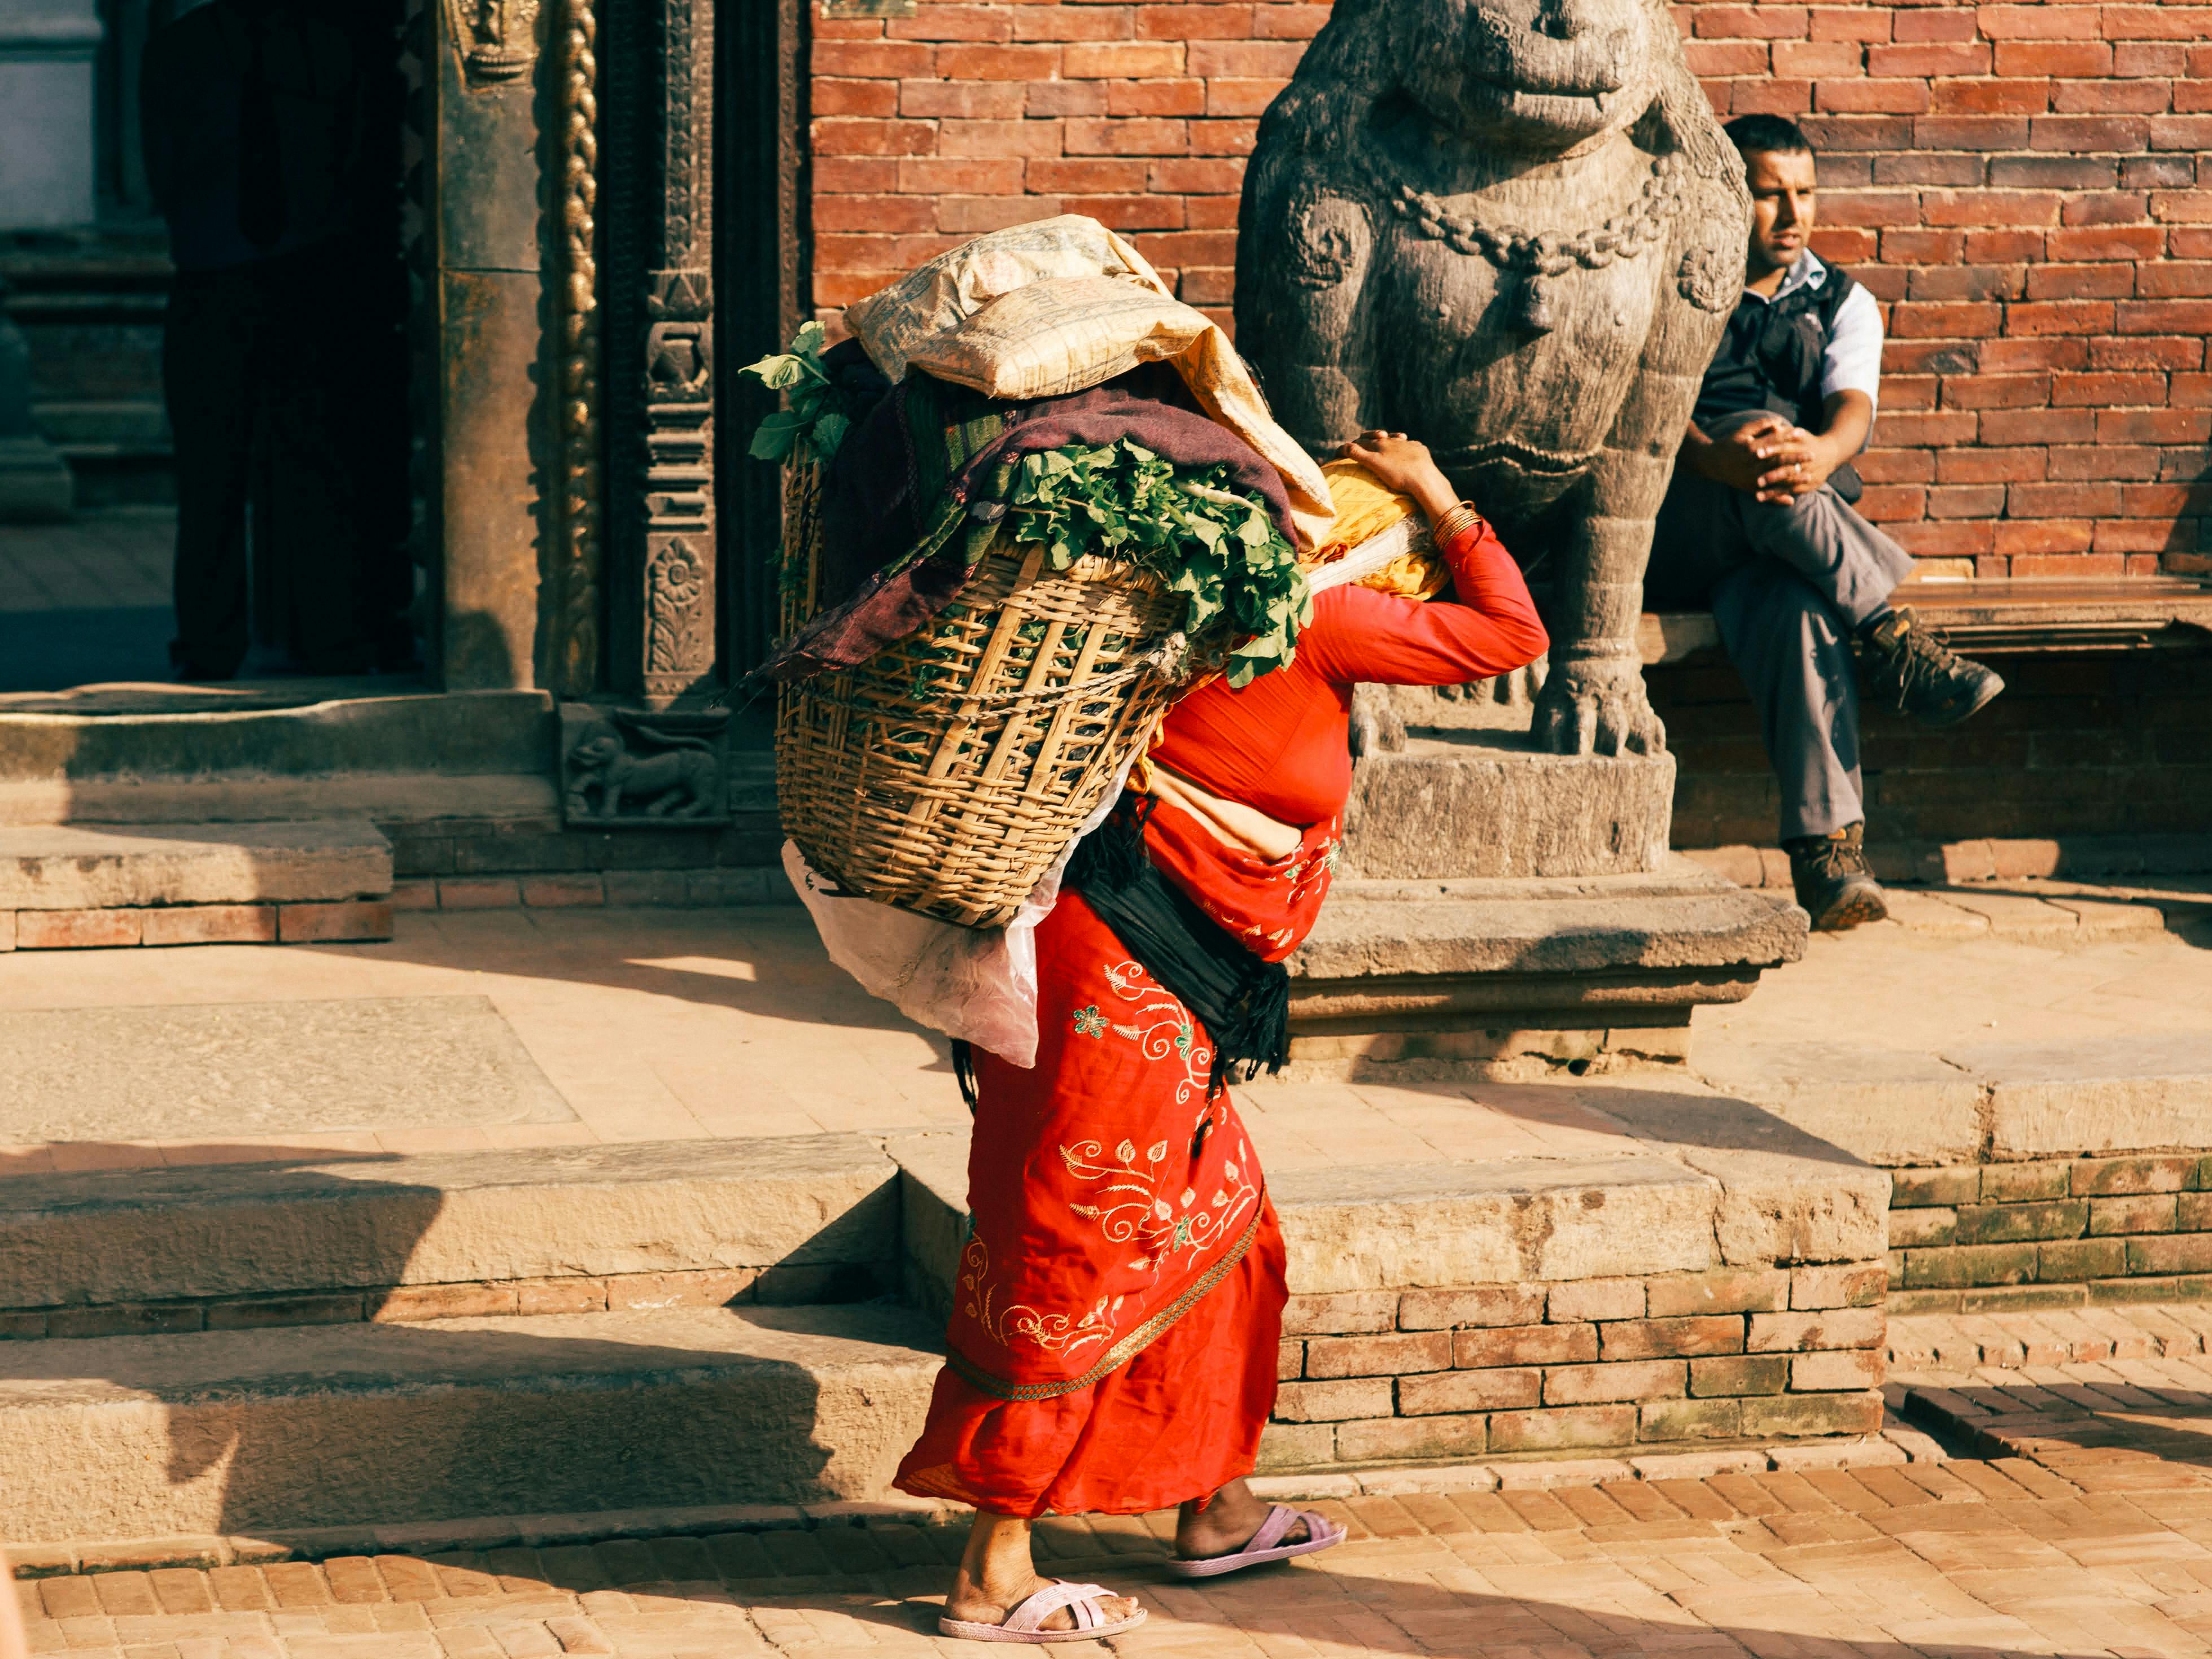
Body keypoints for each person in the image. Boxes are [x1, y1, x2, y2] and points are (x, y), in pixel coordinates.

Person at [896, 432, 1549, 1642]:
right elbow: (1511, 634)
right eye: (1403, 573)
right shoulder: (1312, 619)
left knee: (1225, 1223)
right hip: (1124, 973)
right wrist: (1443, 501)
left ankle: (1215, 1506)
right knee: (1079, 1238)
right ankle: (992, 1567)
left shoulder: (1212, 611)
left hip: (1154, 980)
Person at [1647, 115, 2005, 931]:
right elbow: (1647, 416)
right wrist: (1718, 459)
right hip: (1678, 526)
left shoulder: (1842, 302)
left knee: (1801, 615)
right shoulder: (1673, 284)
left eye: (1803, 193)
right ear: (1725, 195)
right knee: (1758, 450)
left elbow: (1853, 413)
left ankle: (1828, 858)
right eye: (1768, 194)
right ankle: (1888, 634)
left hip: (1785, 545)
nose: (1791, 214)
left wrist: (1818, 454)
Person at [141, 0, 409, 680]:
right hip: (212, 276)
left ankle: (331, 635)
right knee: (210, 477)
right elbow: (161, 164)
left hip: (307, 279)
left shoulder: (329, 45)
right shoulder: (178, 49)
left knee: (316, 469)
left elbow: (355, 156)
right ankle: (208, 643)